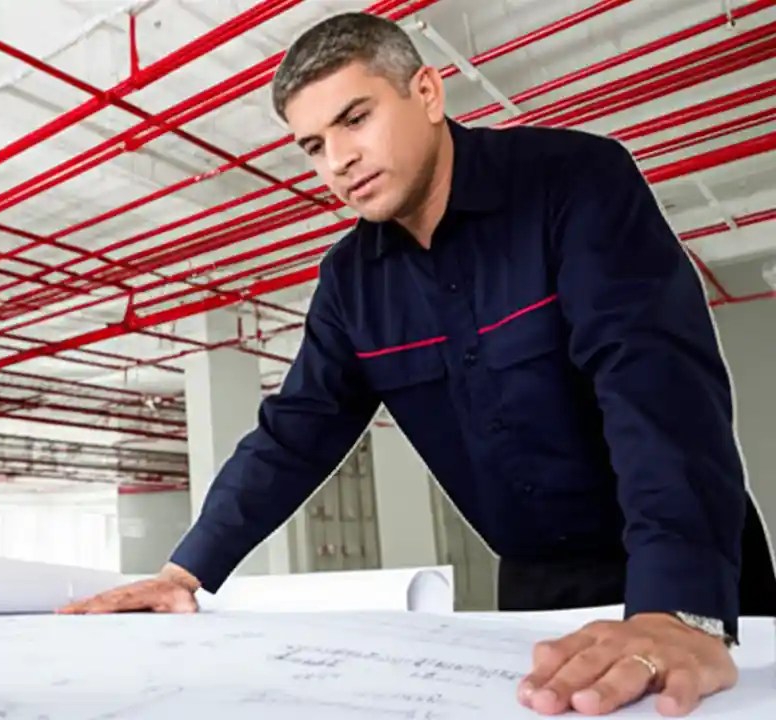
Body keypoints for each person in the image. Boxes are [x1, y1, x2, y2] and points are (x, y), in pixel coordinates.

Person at [58, 10, 776, 718]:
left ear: (427, 93)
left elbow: (654, 386)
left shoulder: (574, 182)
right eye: (312, 145)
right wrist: (184, 571)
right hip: (537, 585)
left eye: (355, 119)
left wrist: (678, 606)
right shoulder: (350, 284)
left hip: (691, 567)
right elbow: (295, 432)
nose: (336, 160)